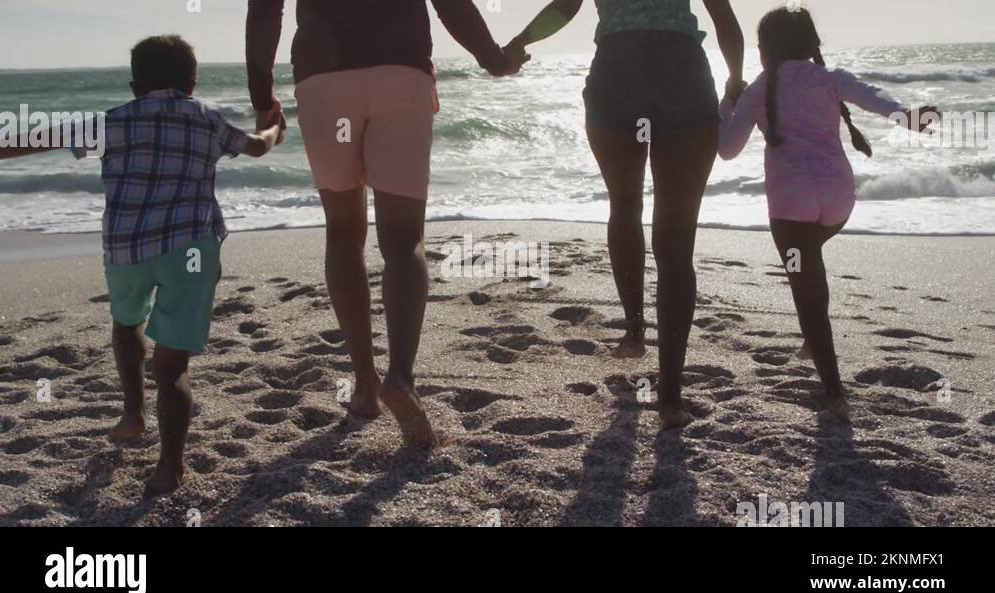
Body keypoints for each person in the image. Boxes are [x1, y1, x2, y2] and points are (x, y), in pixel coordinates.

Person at [0, 35, 283, 494]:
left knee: (127, 322)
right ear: (192, 83)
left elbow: (38, 138)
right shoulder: (206, 117)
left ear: (134, 86)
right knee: (173, 365)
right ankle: (169, 466)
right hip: (191, 250)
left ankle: (133, 415)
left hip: (127, 249)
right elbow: (256, 147)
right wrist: (272, 128)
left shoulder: (112, 121)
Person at [245, 0, 529, 449]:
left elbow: (265, 11)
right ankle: (400, 379)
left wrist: (262, 98)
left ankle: (364, 383)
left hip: (324, 78)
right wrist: (492, 58)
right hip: (401, 73)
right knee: (403, 240)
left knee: (343, 232)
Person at [507, 0, 745, 429]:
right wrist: (734, 79)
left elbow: (565, 7)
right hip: (681, 74)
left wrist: (519, 42)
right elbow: (724, 17)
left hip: (617, 75)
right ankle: (670, 398)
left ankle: (634, 331)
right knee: (676, 241)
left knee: (624, 205)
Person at [718, 7, 936, 421]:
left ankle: (835, 394)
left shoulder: (758, 90)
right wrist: (911, 118)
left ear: (763, 51)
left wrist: (724, 107)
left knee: (807, 292)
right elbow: (875, 98)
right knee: (811, 266)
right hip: (839, 201)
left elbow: (726, 150)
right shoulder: (831, 78)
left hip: (791, 206)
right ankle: (811, 337)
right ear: (812, 45)